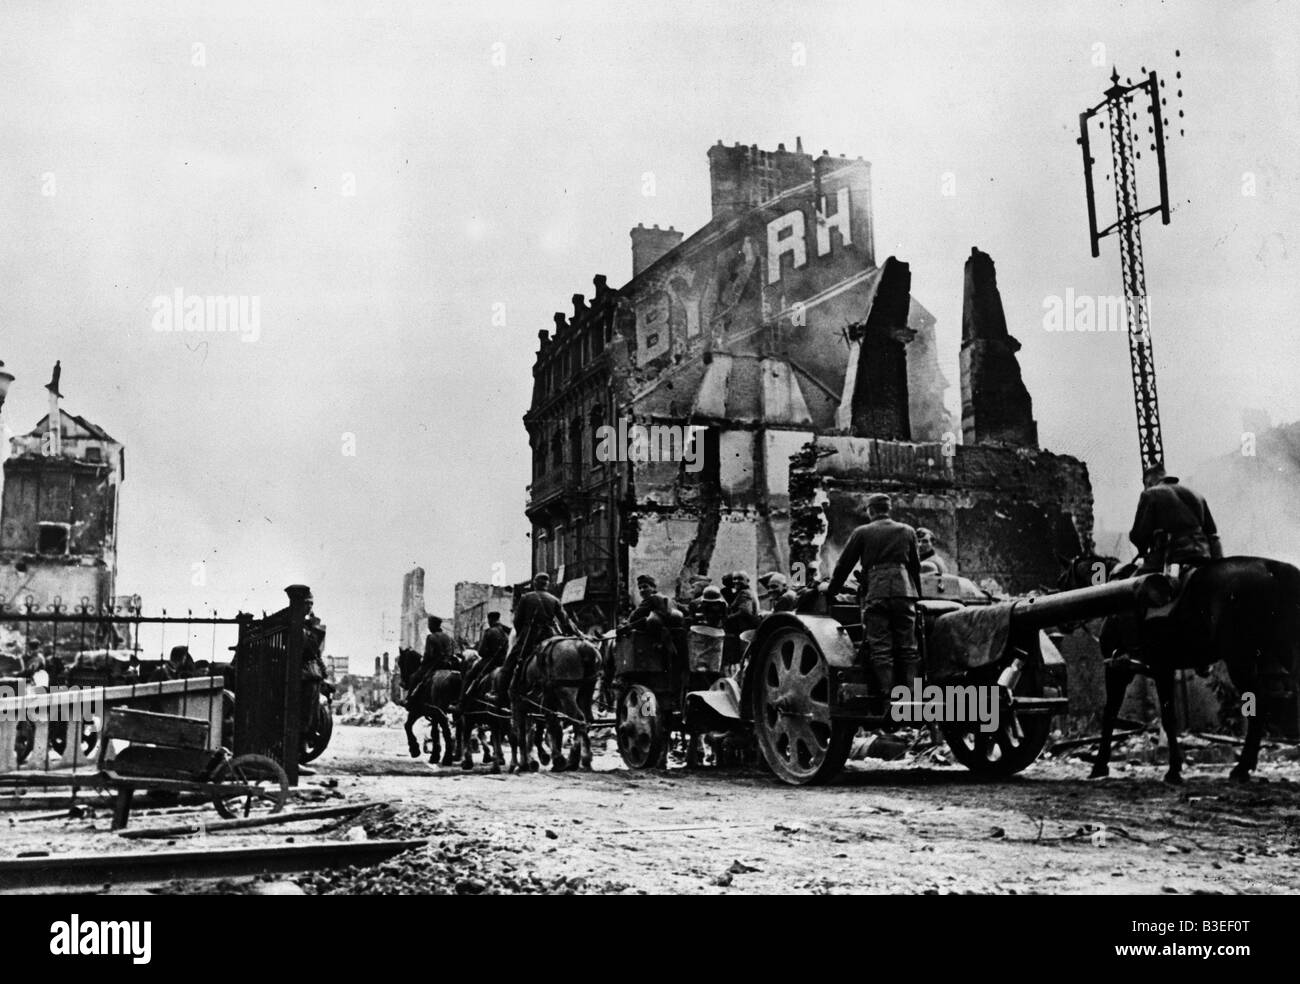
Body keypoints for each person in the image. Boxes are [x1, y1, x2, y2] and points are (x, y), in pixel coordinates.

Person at [825, 493, 922, 706]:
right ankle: (913, 695)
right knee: (908, 645)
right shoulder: (907, 531)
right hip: (904, 591)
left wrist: (831, 592)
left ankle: (888, 695)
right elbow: (915, 567)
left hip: (877, 591)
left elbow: (844, 565)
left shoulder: (862, 532)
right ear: (888, 509)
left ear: (870, 510)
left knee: (880, 645)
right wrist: (918, 596)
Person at [1129, 463, 1222, 571]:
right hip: (1203, 554)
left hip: (1172, 557)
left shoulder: (1150, 494)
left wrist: (1142, 550)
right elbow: (1212, 532)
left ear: (1148, 482)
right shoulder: (1196, 494)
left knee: (1134, 585)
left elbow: (1139, 534)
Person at [501, 573, 573, 698]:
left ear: (535, 583)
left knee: (509, 664)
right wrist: (576, 634)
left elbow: (517, 621)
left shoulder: (526, 598)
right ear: (547, 585)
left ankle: (500, 695)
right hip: (550, 636)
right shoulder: (554, 599)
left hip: (530, 636)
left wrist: (521, 635)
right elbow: (565, 621)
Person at [620, 574, 684, 659]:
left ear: (653, 588)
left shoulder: (652, 599)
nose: (642, 590)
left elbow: (635, 616)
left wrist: (626, 623)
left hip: (657, 641)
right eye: (640, 588)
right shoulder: (671, 600)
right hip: (675, 640)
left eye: (645, 587)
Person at [461, 611, 510, 697]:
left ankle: (461, 703)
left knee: (469, 676)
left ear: (490, 620)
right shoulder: (505, 632)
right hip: (503, 662)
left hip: (489, 662)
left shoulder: (489, 632)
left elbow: (481, 652)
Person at [410, 615, 457, 697]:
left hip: (436, 665)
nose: (429, 626)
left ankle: (410, 698)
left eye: (429, 624)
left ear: (433, 625)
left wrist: (423, 661)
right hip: (449, 664)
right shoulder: (448, 637)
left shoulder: (431, 637)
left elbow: (428, 655)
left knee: (415, 677)